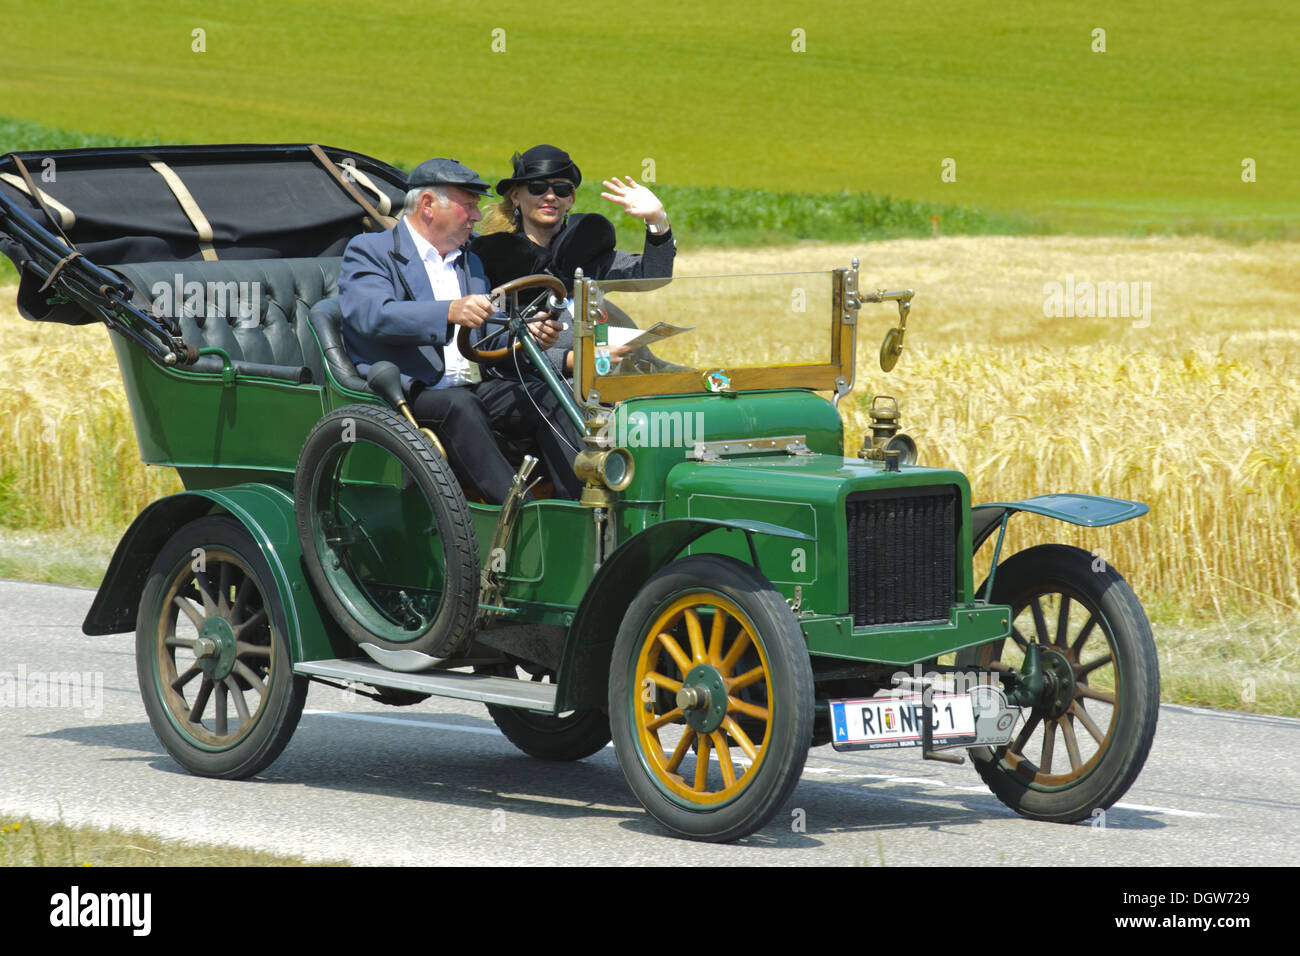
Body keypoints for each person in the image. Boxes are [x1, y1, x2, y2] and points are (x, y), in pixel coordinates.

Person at [338, 157, 584, 504]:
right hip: (408, 391)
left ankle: (578, 507)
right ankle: (519, 512)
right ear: (427, 205)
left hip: (474, 386)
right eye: (468, 206)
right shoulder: (370, 251)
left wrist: (526, 332)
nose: (477, 217)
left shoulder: (473, 260)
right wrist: (448, 311)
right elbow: (372, 315)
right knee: (460, 405)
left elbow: (491, 329)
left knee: (545, 395)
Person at [470, 144, 676, 377]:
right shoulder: (495, 258)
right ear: (516, 196)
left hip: (604, 378)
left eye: (561, 189)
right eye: (537, 187)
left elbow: (653, 275)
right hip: (534, 387)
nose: (550, 196)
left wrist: (657, 220)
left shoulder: (585, 249)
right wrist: (575, 359)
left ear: (571, 199)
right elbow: (491, 341)